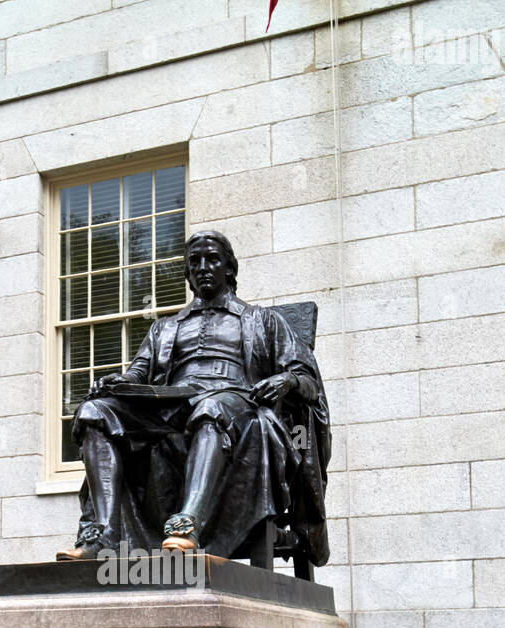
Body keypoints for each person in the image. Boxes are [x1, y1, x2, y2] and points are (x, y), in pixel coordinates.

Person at [56, 229, 331, 567]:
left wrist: (286, 381)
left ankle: (187, 524)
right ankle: (104, 535)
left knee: (210, 406)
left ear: (229, 269)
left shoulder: (263, 320)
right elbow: (139, 375)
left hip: (235, 400)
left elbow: (308, 381)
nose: (203, 267)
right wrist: (120, 382)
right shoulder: (165, 328)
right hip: (169, 405)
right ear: (187, 273)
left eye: (212, 259)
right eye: (194, 262)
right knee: (94, 412)